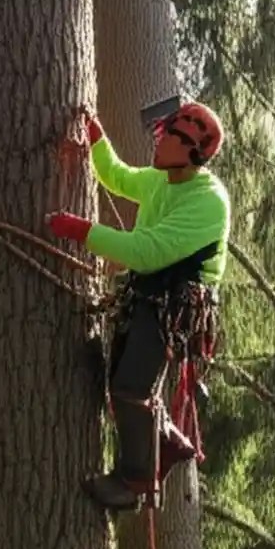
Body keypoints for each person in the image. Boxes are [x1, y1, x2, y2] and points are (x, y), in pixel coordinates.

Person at [46, 101, 231, 511]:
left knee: (132, 388)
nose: (158, 142)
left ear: (191, 150)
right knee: (120, 384)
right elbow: (117, 176)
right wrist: (96, 137)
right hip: (149, 295)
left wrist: (81, 230)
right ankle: (166, 442)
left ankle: (136, 483)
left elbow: (146, 252)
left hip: (177, 306)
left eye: (168, 138)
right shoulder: (161, 181)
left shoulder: (208, 201)